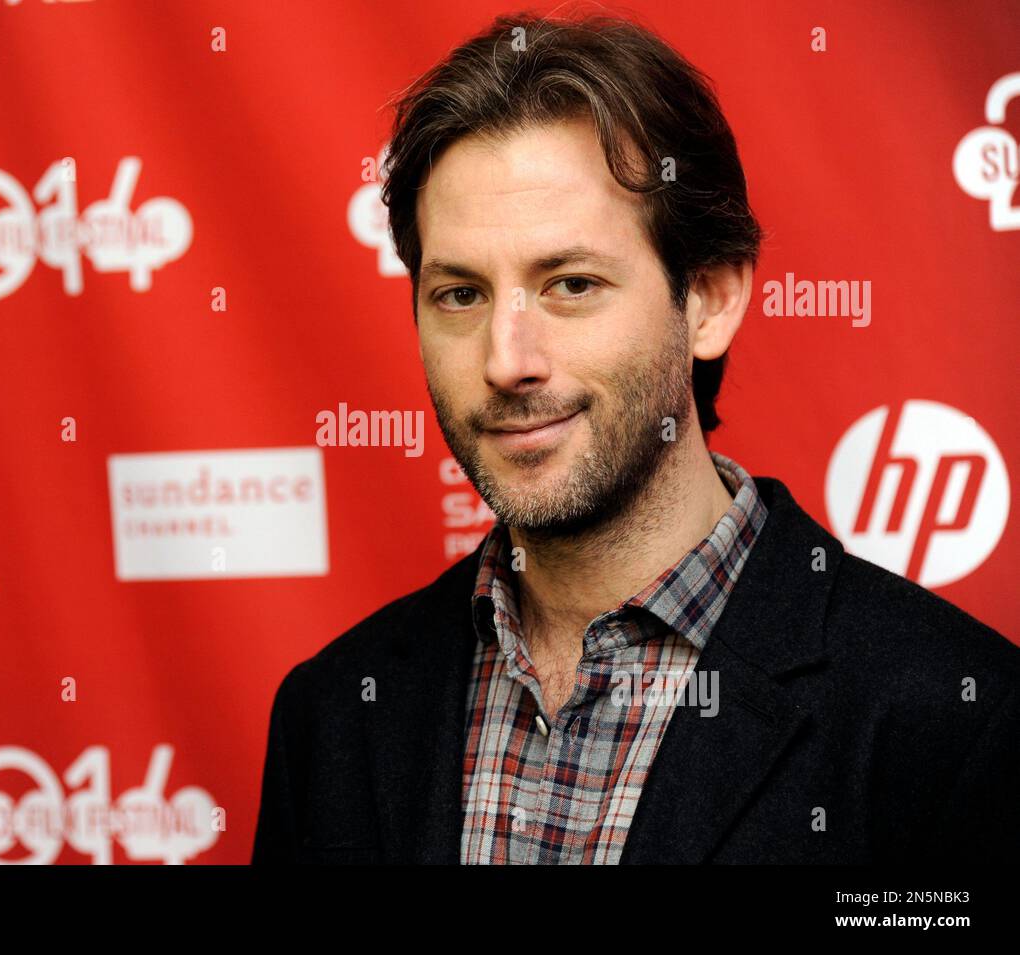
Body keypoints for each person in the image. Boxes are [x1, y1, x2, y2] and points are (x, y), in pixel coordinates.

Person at [252, 12, 1020, 864]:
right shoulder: (332, 716)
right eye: (460, 294)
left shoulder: (955, 720)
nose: (508, 361)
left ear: (712, 299)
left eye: (571, 283)